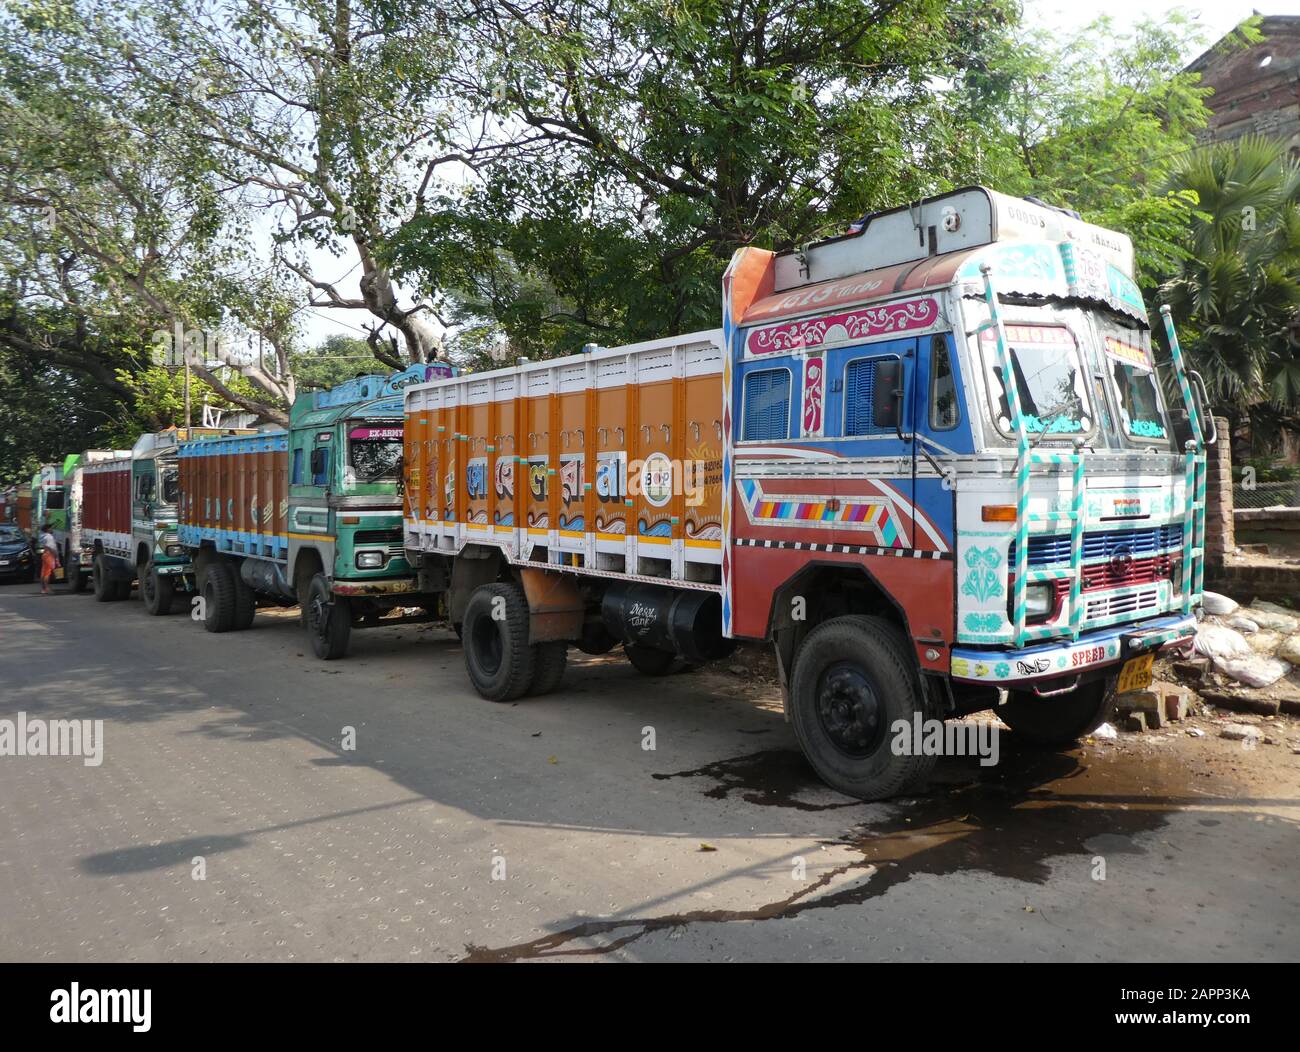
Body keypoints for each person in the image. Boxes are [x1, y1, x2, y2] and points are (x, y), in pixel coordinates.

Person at [38, 522, 59, 595]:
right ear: (48, 529)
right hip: (49, 555)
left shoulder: (42, 536)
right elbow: (51, 548)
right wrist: (56, 556)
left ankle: (43, 589)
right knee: (47, 573)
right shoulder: (49, 537)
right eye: (51, 528)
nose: (52, 529)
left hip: (44, 554)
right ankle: (47, 589)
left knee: (43, 572)